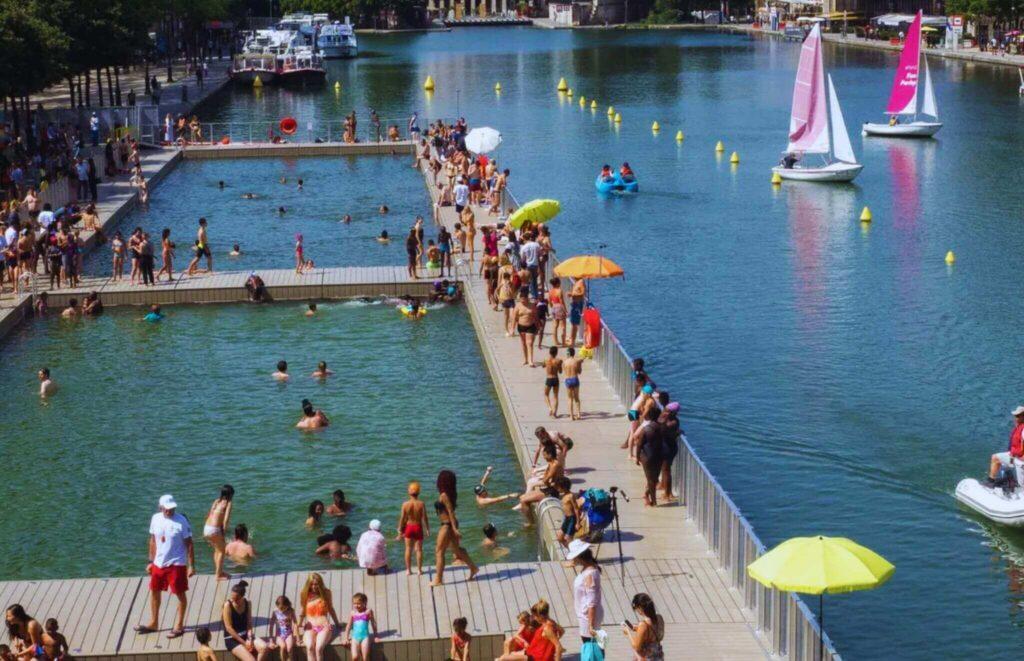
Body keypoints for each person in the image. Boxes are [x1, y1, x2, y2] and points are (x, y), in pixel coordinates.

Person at [134, 494, 195, 639]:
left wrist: (191, 565)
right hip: (158, 563)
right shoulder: (155, 518)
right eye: (167, 508)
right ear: (160, 507)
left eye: (172, 508)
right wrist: (151, 561)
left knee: (180, 594)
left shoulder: (181, 521)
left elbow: (190, 544)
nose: (170, 511)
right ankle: (154, 623)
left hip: (177, 563)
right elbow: (153, 541)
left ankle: (179, 625)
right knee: (154, 591)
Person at [432, 470, 479, 586]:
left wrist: (454, 528)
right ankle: (473, 568)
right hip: (450, 524)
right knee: (456, 550)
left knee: (439, 551)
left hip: (447, 525)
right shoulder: (451, 493)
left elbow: (451, 511)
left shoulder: (444, 495)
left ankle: (438, 579)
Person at [495, 599, 564, 661]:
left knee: (504, 659)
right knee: (506, 656)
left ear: (540, 616)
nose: (534, 618)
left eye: (534, 616)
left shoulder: (547, 628)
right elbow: (562, 631)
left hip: (537, 658)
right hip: (534, 652)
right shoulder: (552, 622)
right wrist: (549, 646)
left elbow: (558, 646)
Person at [222, 581, 275, 661]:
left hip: (246, 635)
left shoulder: (248, 603)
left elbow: (249, 624)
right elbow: (229, 628)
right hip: (232, 638)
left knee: (264, 647)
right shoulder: (228, 605)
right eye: (232, 598)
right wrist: (244, 643)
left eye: (236, 599)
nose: (233, 601)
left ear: (242, 597)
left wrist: (249, 638)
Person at [569, 540, 603, 654]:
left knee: (591, 647)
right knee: (592, 646)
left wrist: (591, 625)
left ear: (579, 557)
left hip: (588, 617)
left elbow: (592, 602)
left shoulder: (589, 575)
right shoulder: (588, 568)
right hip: (585, 615)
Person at [298, 573, 341, 661]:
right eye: (312, 584)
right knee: (310, 647)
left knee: (319, 648)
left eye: (316, 584)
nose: (314, 586)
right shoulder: (304, 593)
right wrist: (299, 624)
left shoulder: (326, 593)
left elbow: (331, 609)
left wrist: (337, 623)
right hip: (310, 627)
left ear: (320, 583)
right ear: (308, 584)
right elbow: (302, 610)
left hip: (324, 626)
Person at [632, 407, 664, 507]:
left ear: (649, 416)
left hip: (647, 457)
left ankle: (652, 500)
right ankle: (649, 496)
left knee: (650, 479)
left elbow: (639, 445)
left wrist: (637, 457)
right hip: (659, 455)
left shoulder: (646, 430)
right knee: (654, 478)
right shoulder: (662, 427)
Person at [397, 481, 429, 575]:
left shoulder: (405, 504)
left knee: (408, 548)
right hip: (418, 527)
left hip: (409, 527)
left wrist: (399, 530)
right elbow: (425, 517)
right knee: (418, 550)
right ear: (418, 492)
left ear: (409, 492)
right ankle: (419, 570)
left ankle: (408, 570)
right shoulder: (421, 504)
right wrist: (427, 529)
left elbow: (402, 518)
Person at [204, 484, 235, 581]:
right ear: (230, 495)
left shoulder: (216, 501)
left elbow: (209, 514)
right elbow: (226, 520)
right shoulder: (228, 503)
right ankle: (218, 575)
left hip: (206, 528)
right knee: (222, 550)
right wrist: (223, 532)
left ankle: (219, 571)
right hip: (214, 529)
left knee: (217, 550)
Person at [622, 593, 665, 660]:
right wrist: (637, 628)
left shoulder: (643, 625)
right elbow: (657, 634)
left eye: (636, 608)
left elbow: (636, 646)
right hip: (658, 657)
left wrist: (628, 633)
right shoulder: (659, 618)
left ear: (640, 608)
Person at [989, 405, 1024, 481]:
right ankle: (1009, 481)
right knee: (1001, 462)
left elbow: (1022, 451)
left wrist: (1013, 453)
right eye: (1015, 416)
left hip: (1018, 458)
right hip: (1015, 456)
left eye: (1018, 416)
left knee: (995, 458)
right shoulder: (1019, 427)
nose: (1015, 418)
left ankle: (991, 482)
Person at [342, 593, 377, 661]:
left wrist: (376, 636)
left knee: (365, 658)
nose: (356, 605)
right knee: (355, 657)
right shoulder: (353, 613)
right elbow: (348, 626)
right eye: (355, 603)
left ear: (364, 603)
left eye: (359, 603)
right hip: (355, 638)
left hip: (365, 637)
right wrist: (346, 638)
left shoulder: (368, 612)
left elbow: (373, 623)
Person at [513, 290, 538, 366]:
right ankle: (525, 359)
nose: (522, 301)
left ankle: (531, 360)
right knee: (523, 343)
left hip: (531, 326)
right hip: (521, 326)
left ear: (527, 298)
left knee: (529, 343)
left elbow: (535, 316)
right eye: (521, 299)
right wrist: (512, 329)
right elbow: (514, 317)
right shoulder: (518, 306)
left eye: (524, 299)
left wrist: (538, 326)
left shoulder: (532, 305)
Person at [270, 596, 299, 661]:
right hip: (279, 634)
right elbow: (271, 625)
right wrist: (271, 639)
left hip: (288, 633)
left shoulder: (291, 611)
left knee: (289, 648)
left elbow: (295, 623)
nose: (281, 610)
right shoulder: (275, 611)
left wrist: (297, 637)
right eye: (279, 608)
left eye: (283, 608)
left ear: (287, 605)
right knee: (283, 647)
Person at [555, 476, 578, 548]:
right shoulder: (563, 495)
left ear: (564, 487)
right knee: (559, 537)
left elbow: (576, 509)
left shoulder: (571, 496)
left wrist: (578, 522)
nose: (557, 489)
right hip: (566, 519)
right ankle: (571, 551)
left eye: (558, 487)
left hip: (572, 519)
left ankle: (575, 555)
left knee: (568, 538)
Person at [563, 347, 583, 421]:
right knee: (576, 398)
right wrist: (580, 364)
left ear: (568, 354)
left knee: (570, 398)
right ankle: (578, 414)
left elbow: (564, 371)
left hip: (568, 380)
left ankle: (571, 416)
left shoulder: (565, 362)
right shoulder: (576, 361)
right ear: (574, 354)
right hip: (575, 379)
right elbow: (579, 372)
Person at [543, 346, 562, 418]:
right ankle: (555, 413)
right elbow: (560, 372)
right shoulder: (558, 361)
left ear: (549, 352)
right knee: (556, 396)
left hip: (549, 378)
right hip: (555, 378)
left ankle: (550, 408)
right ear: (556, 353)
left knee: (546, 394)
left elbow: (543, 365)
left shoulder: (546, 359)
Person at [568, 278, 586, 347]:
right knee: (573, 323)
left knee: (574, 324)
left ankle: (572, 341)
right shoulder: (578, 281)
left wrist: (572, 295)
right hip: (575, 304)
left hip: (577, 305)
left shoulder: (580, 282)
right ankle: (571, 339)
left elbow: (582, 294)